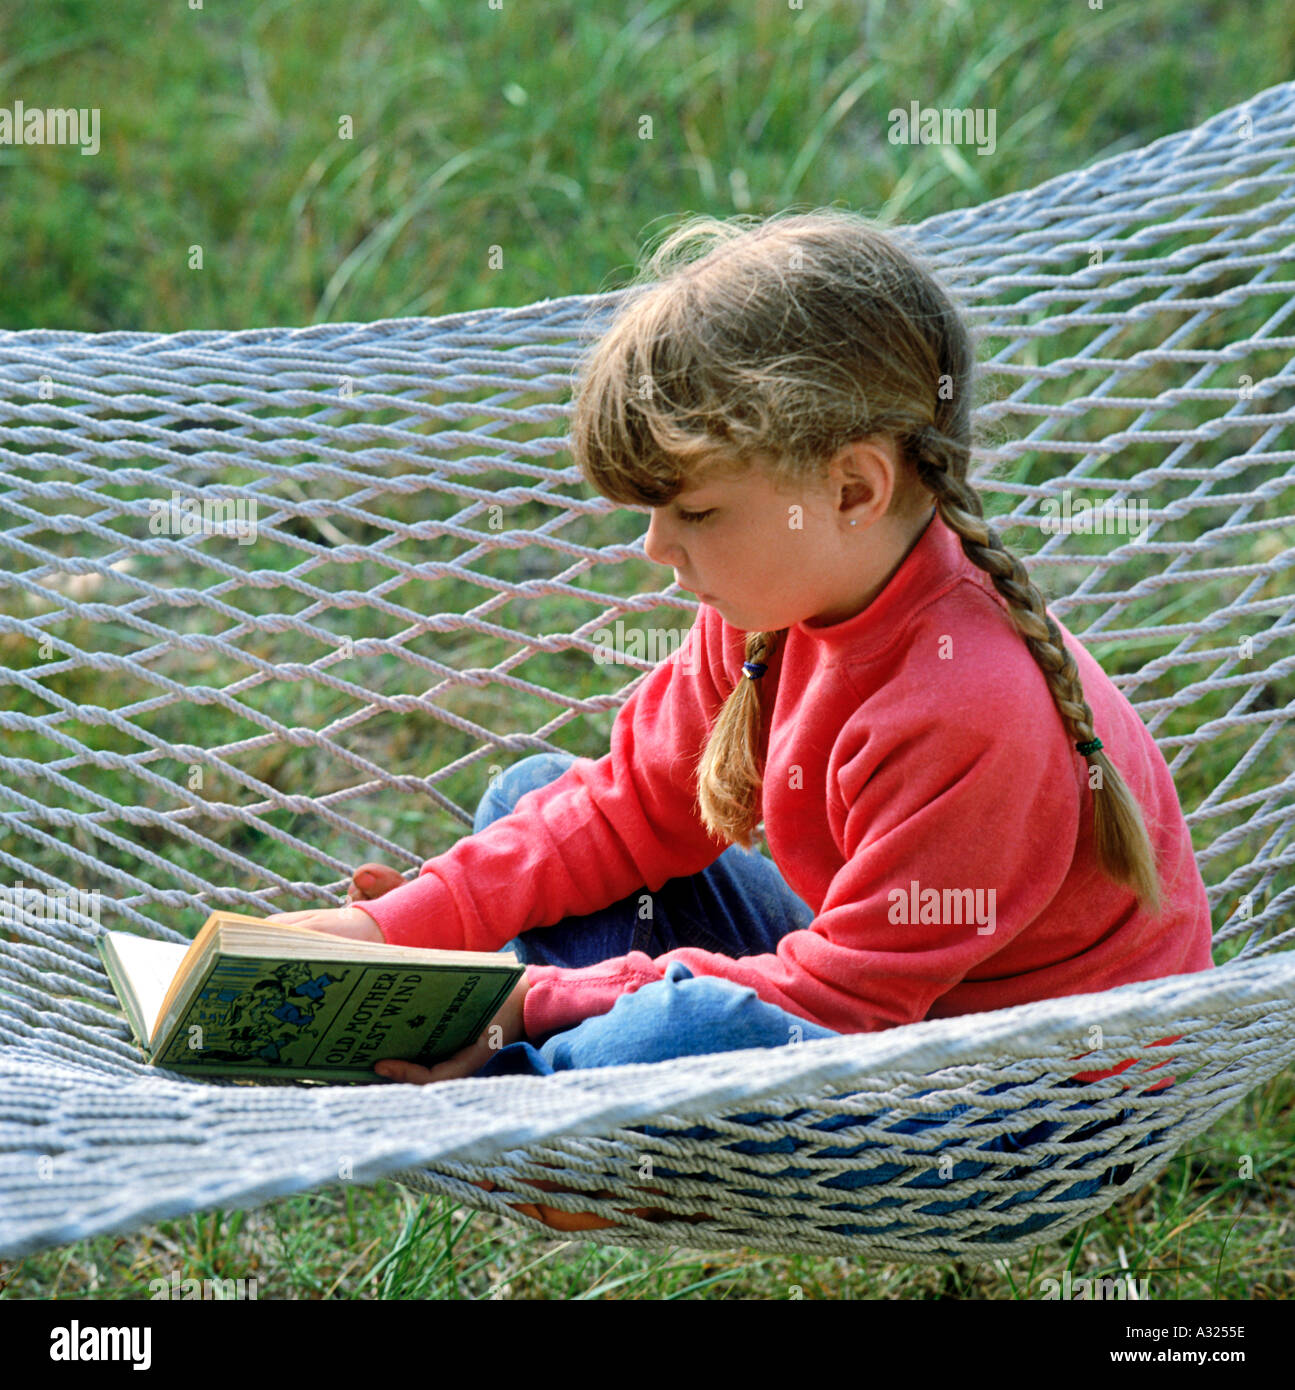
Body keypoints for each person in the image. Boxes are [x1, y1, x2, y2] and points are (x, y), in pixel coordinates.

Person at [264, 208, 1214, 1232]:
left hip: (1020, 1122)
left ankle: (511, 1095)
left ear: (851, 489)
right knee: (534, 799)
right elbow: (629, 807)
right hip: (875, 1001)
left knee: (680, 1029)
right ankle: (527, 1076)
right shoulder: (774, 611)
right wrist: (386, 931)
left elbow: (841, 1006)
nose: (653, 548)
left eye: (695, 512)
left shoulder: (969, 707)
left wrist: (526, 1003)